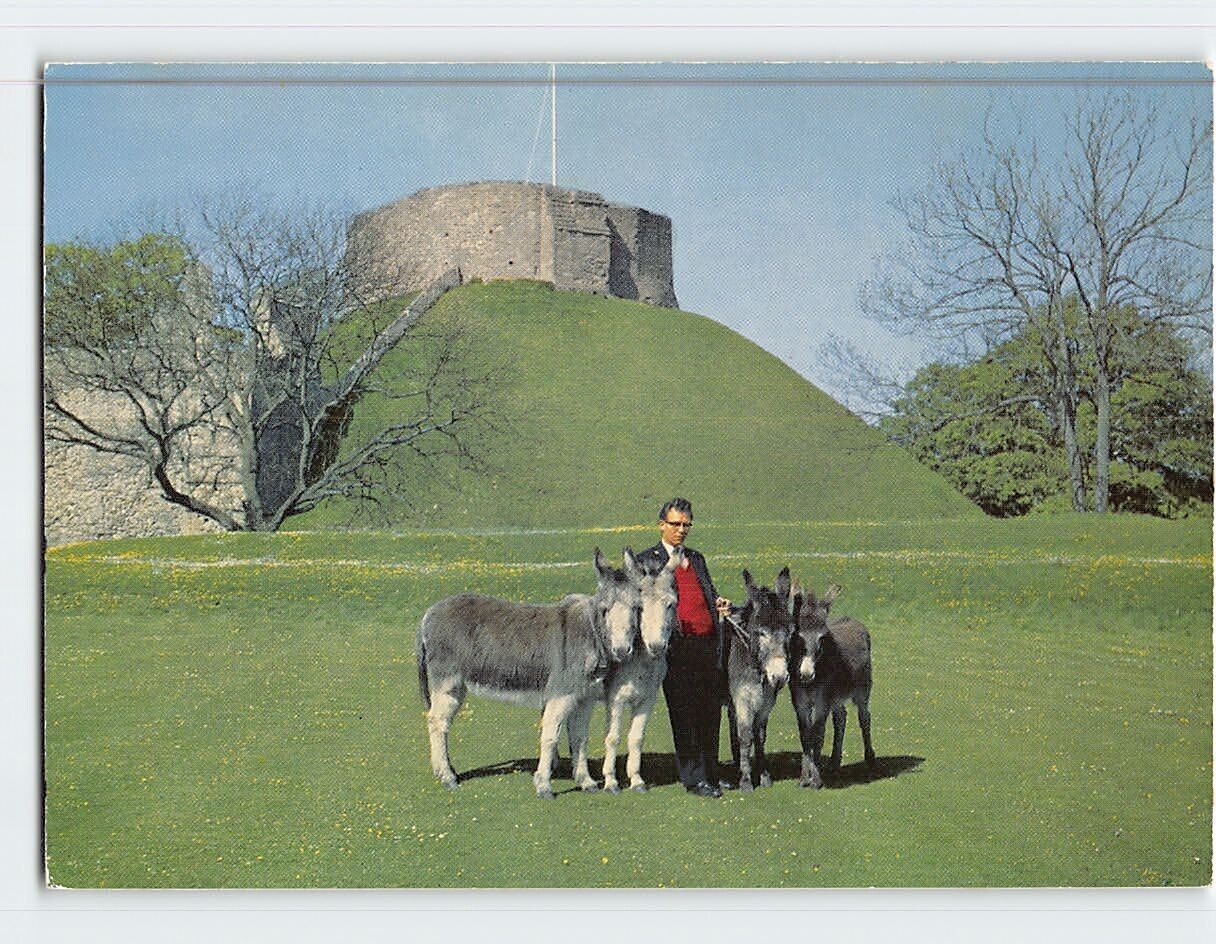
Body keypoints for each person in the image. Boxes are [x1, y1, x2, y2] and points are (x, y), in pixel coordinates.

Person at [635, 497, 732, 798]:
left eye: (686, 525)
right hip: (676, 648)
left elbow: (707, 593)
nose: (681, 530)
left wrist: (719, 604)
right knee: (684, 713)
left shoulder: (697, 558)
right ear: (661, 525)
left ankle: (712, 773)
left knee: (710, 712)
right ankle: (694, 778)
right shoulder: (646, 561)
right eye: (675, 524)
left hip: (708, 644)